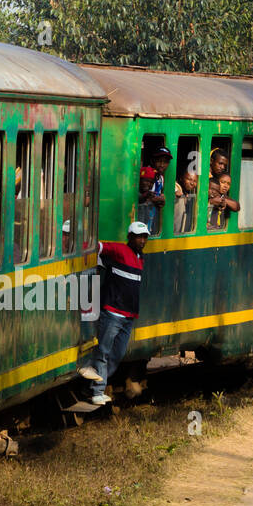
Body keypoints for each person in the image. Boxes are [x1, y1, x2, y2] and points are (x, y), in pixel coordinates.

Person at [76, 221, 148, 405]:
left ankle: (90, 384)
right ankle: (97, 391)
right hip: (112, 313)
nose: (142, 240)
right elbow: (95, 247)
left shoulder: (140, 258)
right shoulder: (119, 250)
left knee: (117, 354)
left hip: (129, 317)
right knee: (103, 351)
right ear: (130, 237)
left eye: (144, 237)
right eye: (139, 236)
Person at [138, 148, 170, 234]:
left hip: (152, 217)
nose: (162, 165)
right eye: (159, 161)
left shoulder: (161, 178)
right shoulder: (145, 175)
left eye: (165, 162)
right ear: (153, 161)